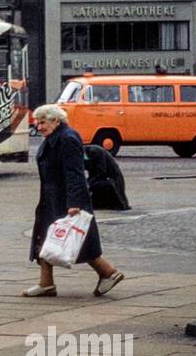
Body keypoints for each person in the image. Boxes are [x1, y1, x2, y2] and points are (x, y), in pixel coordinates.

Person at [25, 104, 125, 298]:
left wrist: (74, 203)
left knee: (76, 241)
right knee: (46, 238)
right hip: (52, 198)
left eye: (42, 122)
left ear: (56, 120)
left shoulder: (67, 139)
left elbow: (75, 173)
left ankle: (109, 272)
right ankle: (46, 283)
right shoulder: (54, 137)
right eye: (37, 122)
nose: (38, 126)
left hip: (65, 199)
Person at [84, 143, 130, 211]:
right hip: (101, 178)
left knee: (95, 185)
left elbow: (101, 173)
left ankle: (108, 201)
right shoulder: (85, 155)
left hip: (111, 180)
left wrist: (87, 184)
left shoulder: (95, 152)